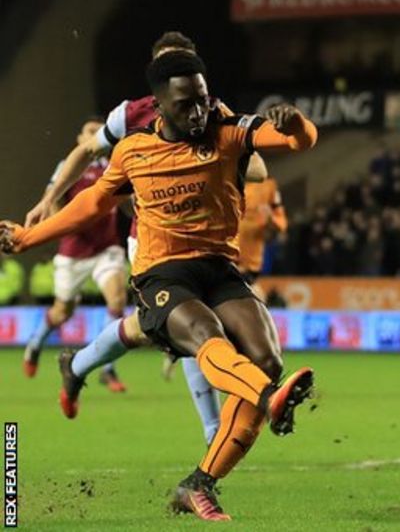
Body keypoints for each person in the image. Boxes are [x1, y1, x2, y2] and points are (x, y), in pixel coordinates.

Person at [1, 51, 319, 520]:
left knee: (268, 359)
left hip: (219, 266)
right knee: (206, 339)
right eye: (186, 104)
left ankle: (197, 484)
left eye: (204, 100)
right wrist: (29, 237)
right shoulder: (133, 149)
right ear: (160, 106)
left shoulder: (227, 129)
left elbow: (299, 142)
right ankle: (267, 396)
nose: (199, 112)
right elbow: (92, 204)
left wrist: (294, 122)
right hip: (160, 273)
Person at [23, 31, 268, 444]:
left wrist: (217, 160)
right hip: (152, 237)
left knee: (145, 327)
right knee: (194, 324)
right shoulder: (130, 115)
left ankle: (79, 364)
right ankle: (212, 429)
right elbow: (86, 152)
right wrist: (50, 199)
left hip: (204, 240)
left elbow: (258, 168)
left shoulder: (211, 113)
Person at [21, 117, 128, 393]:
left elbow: (127, 201)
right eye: (90, 131)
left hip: (107, 248)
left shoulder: (115, 163)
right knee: (61, 312)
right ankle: (34, 345)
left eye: (100, 130)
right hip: (74, 250)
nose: (96, 135)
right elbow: (52, 197)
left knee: (116, 300)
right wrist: (61, 224)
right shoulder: (72, 164)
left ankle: (107, 368)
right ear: (81, 139)